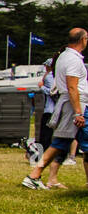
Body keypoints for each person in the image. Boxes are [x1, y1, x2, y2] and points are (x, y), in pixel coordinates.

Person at [24, 28, 87, 190]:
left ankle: (38, 175)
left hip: (72, 103)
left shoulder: (64, 57)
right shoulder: (73, 60)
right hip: (75, 104)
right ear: (83, 40)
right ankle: (34, 174)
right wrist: (78, 112)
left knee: (63, 142)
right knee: (62, 142)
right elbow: (72, 87)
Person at [38, 58, 56, 151]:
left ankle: (44, 149)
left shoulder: (49, 76)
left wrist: (42, 87)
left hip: (49, 108)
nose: (45, 67)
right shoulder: (51, 75)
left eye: (46, 65)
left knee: (46, 132)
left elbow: (52, 91)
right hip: (49, 108)